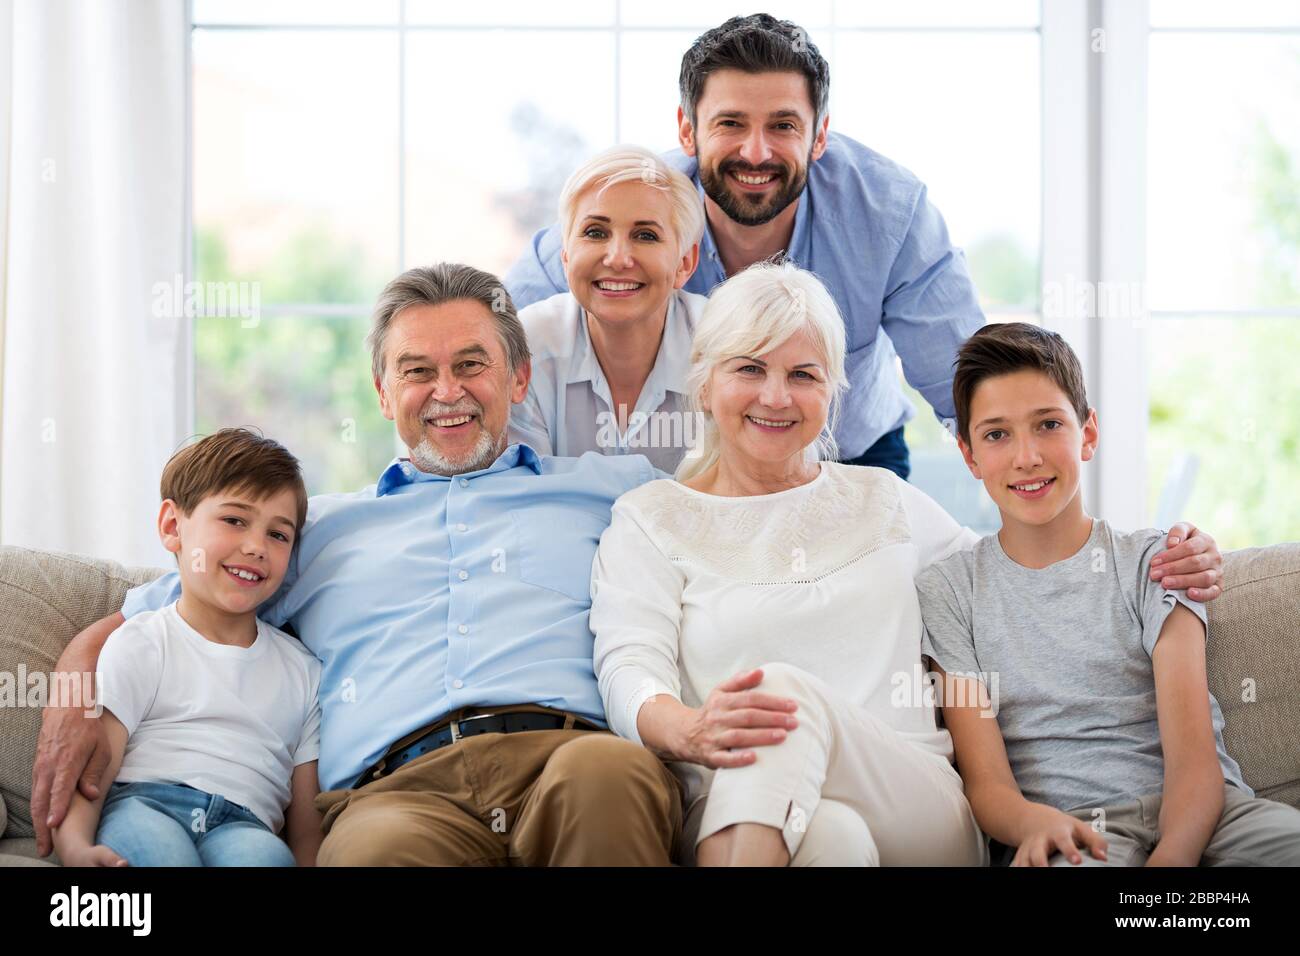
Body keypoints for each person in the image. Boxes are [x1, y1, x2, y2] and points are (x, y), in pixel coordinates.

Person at [33, 263, 683, 867]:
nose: (446, 391)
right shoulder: (313, 532)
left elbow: (728, 538)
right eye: (417, 371)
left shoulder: (614, 490)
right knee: (373, 851)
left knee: (610, 776)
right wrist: (72, 696)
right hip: (398, 791)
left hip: (568, 755)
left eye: (470, 364)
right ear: (382, 392)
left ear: (518, 377)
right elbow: (161, 608)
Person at [588, 263, 1226, 867]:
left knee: (777, 698)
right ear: (703, 380)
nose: (776, 396)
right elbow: (629, 669)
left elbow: (1022, 562)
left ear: (832, 392)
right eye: (750, 368)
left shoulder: (885, 501)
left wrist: (1177, 554)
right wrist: (689, 730)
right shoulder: (649, 519)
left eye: (804, 375)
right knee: (833, 837)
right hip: (740, 806)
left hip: (919, 808)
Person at [507, 13, 985, 480]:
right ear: (688, 129)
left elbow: (968, 388)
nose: (755, 152)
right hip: (705, 472)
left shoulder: (890, 216)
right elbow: (491, 336)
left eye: (783, 126)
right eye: (731, 123)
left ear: (819, 134)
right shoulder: (642, 208)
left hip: (850, 459)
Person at [916, 323, 1300, 867]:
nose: (1026, 456)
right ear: (969, 455)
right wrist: (1037, 825)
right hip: (1069, 832)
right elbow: (988, 787)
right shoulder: (949, 592)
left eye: (1048, 424)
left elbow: (1194, 763)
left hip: (1209, 817)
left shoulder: (1156, 562)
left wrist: (1170, 863)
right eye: (997, 434)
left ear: (1087, 433)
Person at [51, 428, 322, 867]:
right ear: (173, 527)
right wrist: (77, 848)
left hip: (247, 825)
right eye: (234, 520)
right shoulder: (143, 640)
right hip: (145, 805)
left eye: (278, 535)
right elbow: (96, 765)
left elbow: (306, 822)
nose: (256, 547)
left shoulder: (304, 671)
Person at [509, 145, 706, 473]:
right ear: (566, 255)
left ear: (685, 262)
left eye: (645, 235)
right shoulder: (527, 345)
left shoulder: (724, 348)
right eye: (595, 233)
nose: (617, 258)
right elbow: (528, 499)